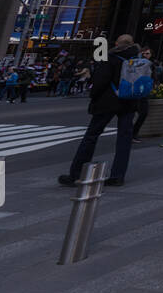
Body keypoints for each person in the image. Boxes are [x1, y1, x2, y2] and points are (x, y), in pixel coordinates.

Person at [58, 34, 144, 188]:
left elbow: (100, 81)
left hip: (108, 102)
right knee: (124, 139)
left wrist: (94, 97)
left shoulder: (110, 57)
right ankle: (118, 175)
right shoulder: (137, 59)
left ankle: (76, 174)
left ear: (117, 43)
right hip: (129, 101)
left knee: (91, 136)